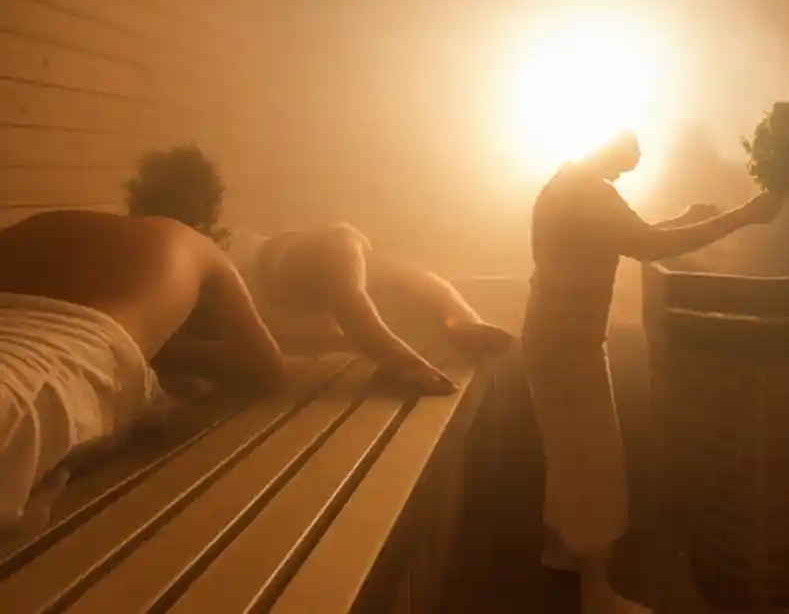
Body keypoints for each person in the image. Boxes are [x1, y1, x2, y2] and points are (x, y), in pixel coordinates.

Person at [523, 131, 785, 614]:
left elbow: (628, 234)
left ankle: (561, 553)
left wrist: (685, 219)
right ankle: (595, 596)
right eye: (624, 165)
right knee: (592, 460)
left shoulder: (566, 183)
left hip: (553, 339)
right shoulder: (589, 193)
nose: (623, 173)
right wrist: (744, 216)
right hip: (568, 346)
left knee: (566, 450)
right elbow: (645, 244)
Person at [124, 146, 513, 395]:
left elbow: (376, 297)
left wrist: (446, 327)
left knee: (362, 278)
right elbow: (370, 300)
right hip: (280, 301)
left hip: (294, 298)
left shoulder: (314, 258)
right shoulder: (282, 260)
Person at [0, 210, 285, 528]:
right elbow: (267, 369)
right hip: (52, 360)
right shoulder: (193, 244)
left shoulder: (41, 226)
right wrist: (164, 350)